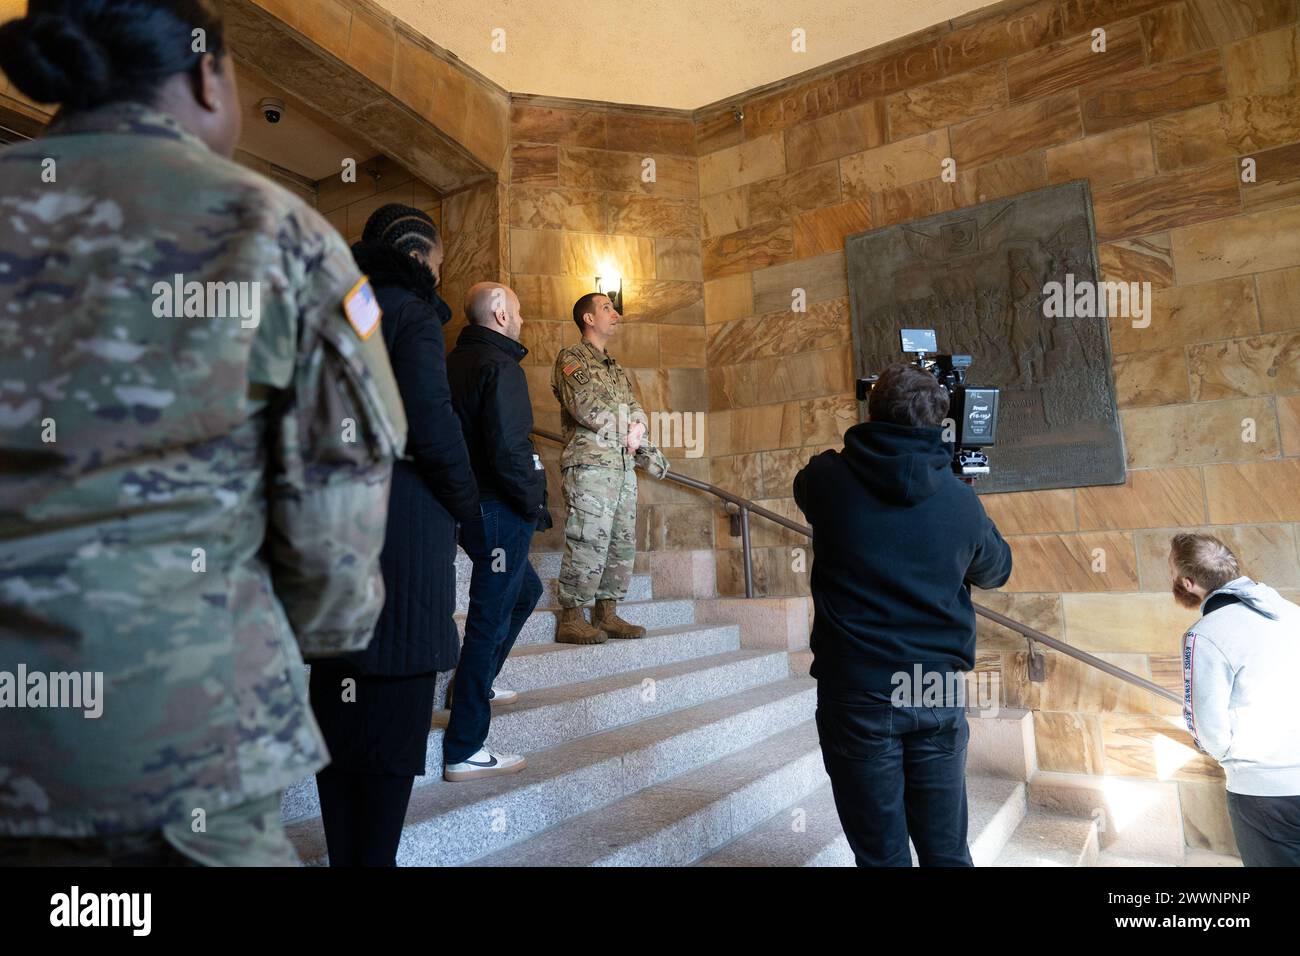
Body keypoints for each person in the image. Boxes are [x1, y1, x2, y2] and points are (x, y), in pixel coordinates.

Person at [0, 0, 405, 866]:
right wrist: (314, 638)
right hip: (188, 749)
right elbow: (336, 540)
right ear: (205, 73)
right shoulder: (278, 232)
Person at [307, 204, 478, 864]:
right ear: (419, 260)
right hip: (397, 554)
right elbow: (434, 432)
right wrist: (472, 512)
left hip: (326, 551)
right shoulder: (409, 310)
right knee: (387, 753)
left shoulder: (329, 307)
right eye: (437, 266)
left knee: (340, 742)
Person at [792, 363, 1012, 867]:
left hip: (862, 688)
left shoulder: (829, 480)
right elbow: (996, 570)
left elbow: (806, 486)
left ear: (871, 411)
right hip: (934, 684)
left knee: (882, 854)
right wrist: (963, 490)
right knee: (946, 850)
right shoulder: (960, 501)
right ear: (941, 422)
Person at [442, 282, 551, 781]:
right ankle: (465, 746)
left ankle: (474, 683)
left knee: (526, 589)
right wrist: (533, 501)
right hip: (499, 508)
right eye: (521, 310)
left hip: (468, 507)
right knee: (489, 617)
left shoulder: (453, 361)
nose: (524, 319)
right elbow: (510, 448)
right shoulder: (500, 365)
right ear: (502, 314)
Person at [1171, 532, 1300, 866]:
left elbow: (1205, 724)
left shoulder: (1206, 634)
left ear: (1188, 582)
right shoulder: (1292, 612)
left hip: (1264, 792)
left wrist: (1230, 755)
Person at [550, 293, 668, 645]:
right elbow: (585, 407)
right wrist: (628, 431)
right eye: (607, 308)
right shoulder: (571, 359)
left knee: (620, 542)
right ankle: (572, 616)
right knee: (587, 538)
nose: (616, 314)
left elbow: (636, 408)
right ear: (588, 318)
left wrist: (639, 431)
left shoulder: (614, 368)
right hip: (590, 466)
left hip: (620, 465)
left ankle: (607, 612)